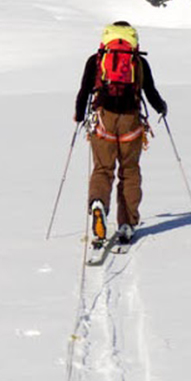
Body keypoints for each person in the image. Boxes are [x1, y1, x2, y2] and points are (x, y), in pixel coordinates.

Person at [72, 21, 167, 252]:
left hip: (103, 119)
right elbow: (150, 92)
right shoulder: (139, 62)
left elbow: (84, 91)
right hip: (131, 122)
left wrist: (79, 115)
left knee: (103, 169)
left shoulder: (96, 60)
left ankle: (98, 205)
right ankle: (126, 223)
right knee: (130, 172)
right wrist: (161, 107)